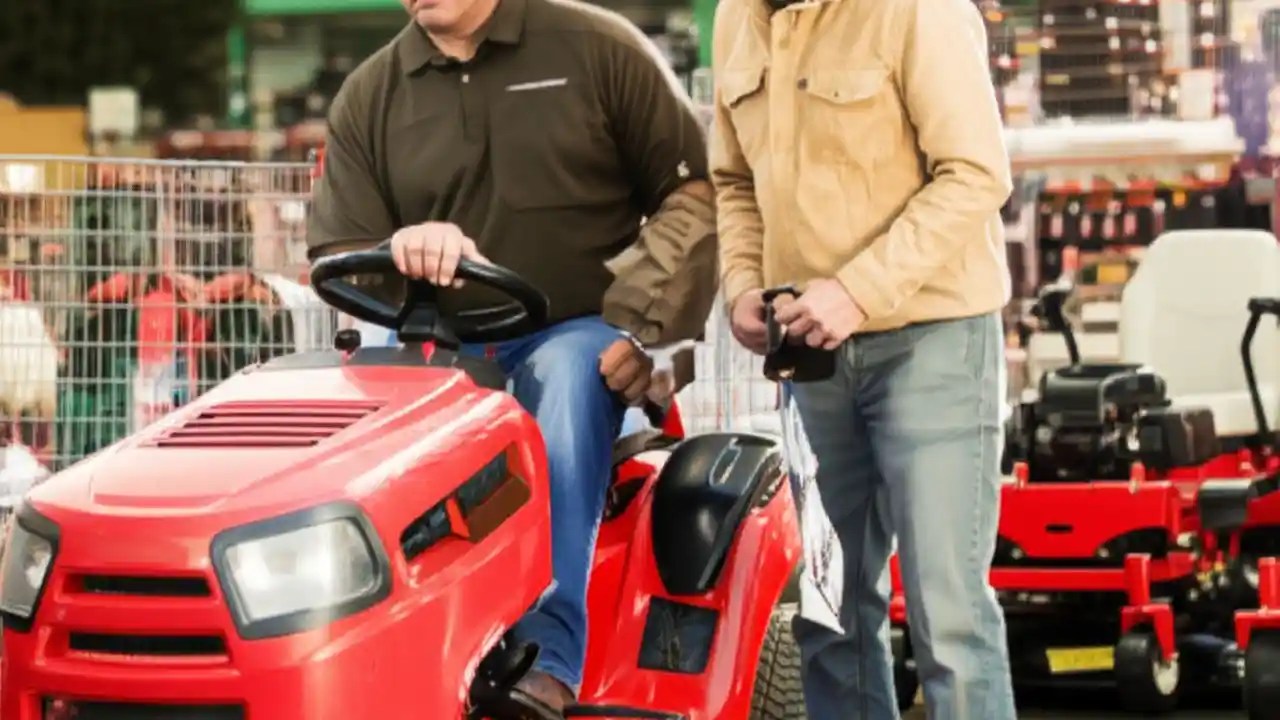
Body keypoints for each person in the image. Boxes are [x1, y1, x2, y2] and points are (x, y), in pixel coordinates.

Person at [307, 0, 715, 712]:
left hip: (578, 331)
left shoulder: (597, 48)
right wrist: (402, 250)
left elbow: (692, 195)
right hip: (436, 348)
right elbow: (342, 252)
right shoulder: (373, 92)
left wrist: (644, 328)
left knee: (562, 376)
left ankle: (545, 659)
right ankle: (349, 640)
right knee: (343, 408)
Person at [710, 0, 1018, 717]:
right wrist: (742, 286)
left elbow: (975, 173)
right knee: (830, 611)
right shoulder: (736, 17)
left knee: (951, 620)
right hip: (808, 361)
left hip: (932, 342)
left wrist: (857, 290)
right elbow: (733, 182)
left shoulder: (917, 11)